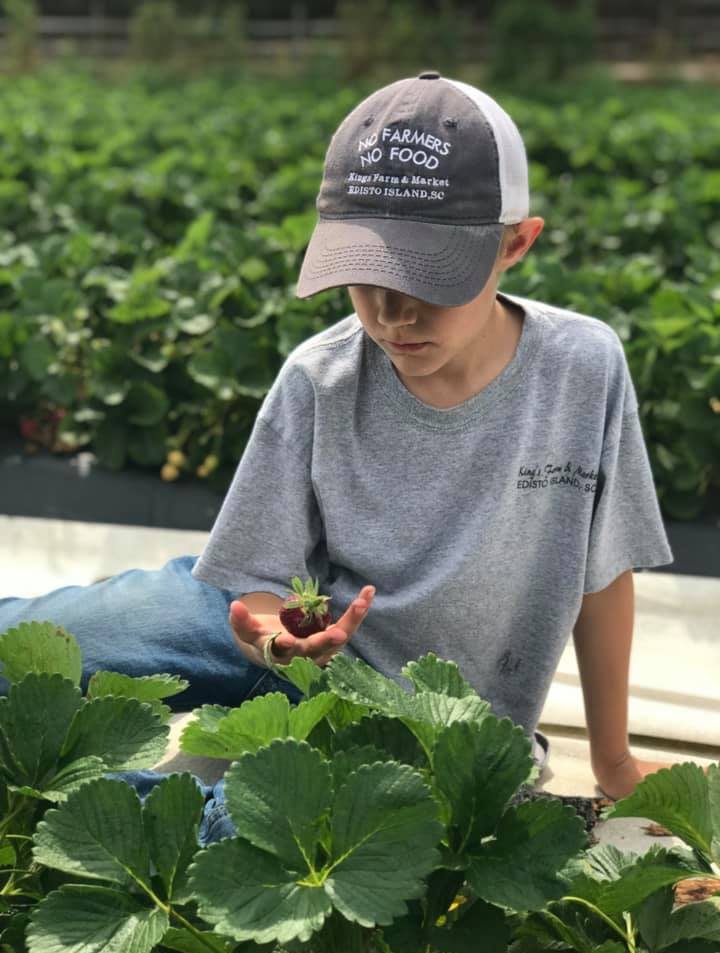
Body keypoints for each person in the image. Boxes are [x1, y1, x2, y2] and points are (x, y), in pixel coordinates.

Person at [1, 73, 676, 832]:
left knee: (246, 833)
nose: (392, 312)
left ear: (515, 243)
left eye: (429, 279)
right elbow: (257, 583)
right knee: (36, 647)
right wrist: (271, 635)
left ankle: (44, 805)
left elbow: (601, 573)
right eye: (365, 276)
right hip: (271, 627)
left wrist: (615, 761)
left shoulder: (582, 369)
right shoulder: (321, 377)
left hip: (412, 724)